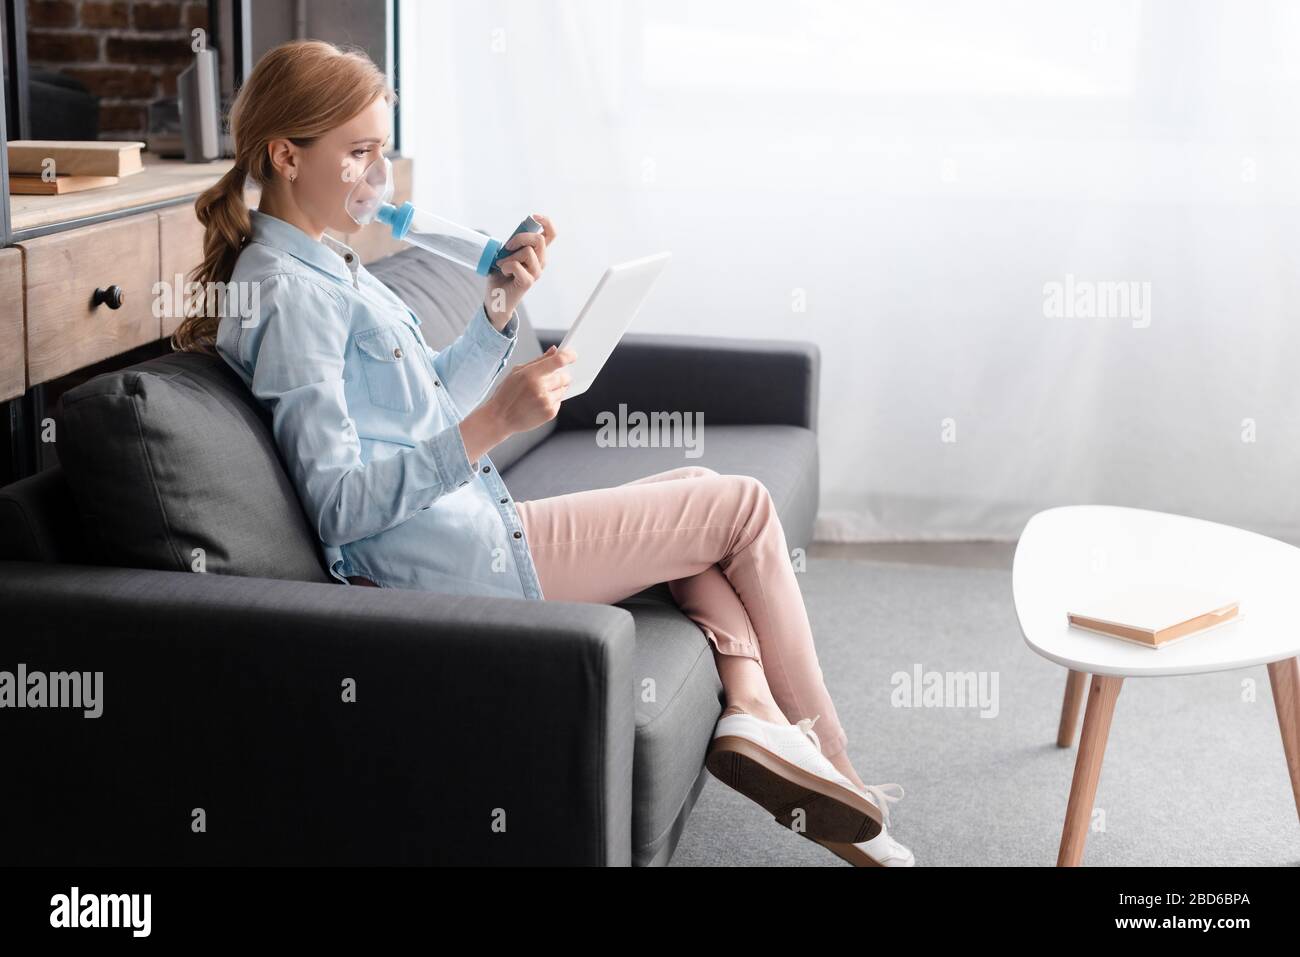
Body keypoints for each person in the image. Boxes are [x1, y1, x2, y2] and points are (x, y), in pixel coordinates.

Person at [171, 39, 911, 867]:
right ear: (285, 153)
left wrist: (497, 312)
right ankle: (845, 781)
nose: (379, 180)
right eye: (359, 154)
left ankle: (752, 707)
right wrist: (494, 423)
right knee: (736, 507)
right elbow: (341, 506)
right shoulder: (286, 290)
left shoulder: (331, 265)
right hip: (448, 565)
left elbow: (420, 415)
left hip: (468, 524)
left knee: (701, 495)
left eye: (383, 151)